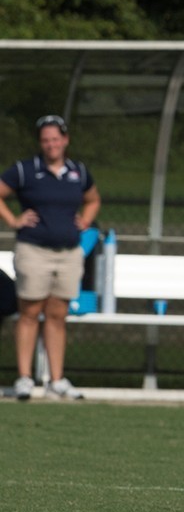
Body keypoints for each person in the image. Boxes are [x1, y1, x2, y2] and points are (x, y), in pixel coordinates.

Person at [0, 114, 101, 400]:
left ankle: (57, 380)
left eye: (56, 139)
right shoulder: (24, 170)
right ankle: (24, 378)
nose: (51, 144)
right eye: (45, 140)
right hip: (34, 251)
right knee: (30, 313)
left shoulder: (78, 171)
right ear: (40, 143)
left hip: (68, 253)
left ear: (65, 140)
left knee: (58, 315)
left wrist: (86, 220)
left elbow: (93, 199)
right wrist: (13, 220)